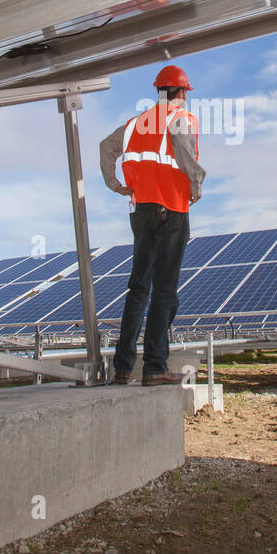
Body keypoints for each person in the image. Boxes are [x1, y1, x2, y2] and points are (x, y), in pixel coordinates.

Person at [98, 64, 206, 386]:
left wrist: (116, 185)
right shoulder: (181, 118)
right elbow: (183, 150)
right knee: (165, 291)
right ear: (182, 93)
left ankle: (122, 367)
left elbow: (105, 147)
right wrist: (196, 187)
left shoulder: (134, 124)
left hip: (140, 211)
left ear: (158, 92)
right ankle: (156, 367)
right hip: (171, 209)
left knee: (138, 289)